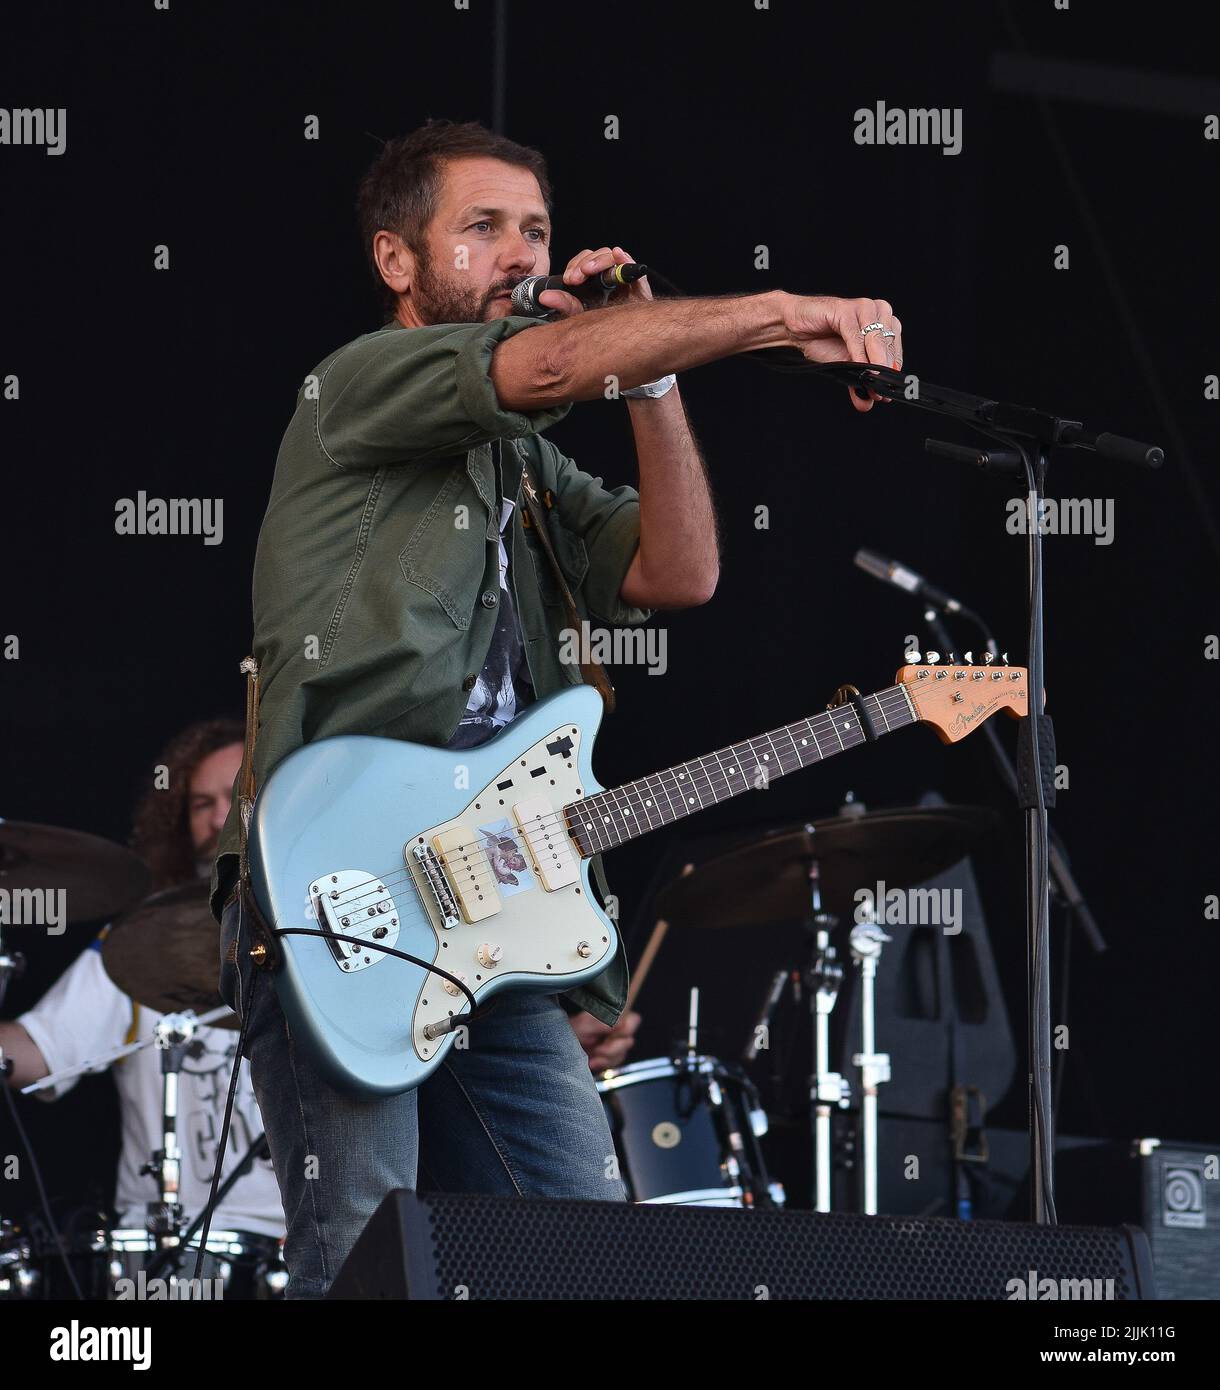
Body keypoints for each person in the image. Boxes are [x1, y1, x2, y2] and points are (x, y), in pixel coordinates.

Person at [211, 119, 900, 1297]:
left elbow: (678, 571)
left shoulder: (523, 467)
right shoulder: (360, 379)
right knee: (367, 1257)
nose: (520, 256)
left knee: (575, 1251)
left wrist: (656, 369)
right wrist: (783, 311)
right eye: (481, 229)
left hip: (485, 915)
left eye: (535, 229)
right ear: (397, 261)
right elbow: (540, 368)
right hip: (338, 881)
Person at [0, 720, 286, 1256]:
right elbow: (38, 1052)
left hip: (296, 1239)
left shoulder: (324, 929)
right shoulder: (140, 945)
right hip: (158, 1244)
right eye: (200, 803)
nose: (218, 816)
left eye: (234, 795)